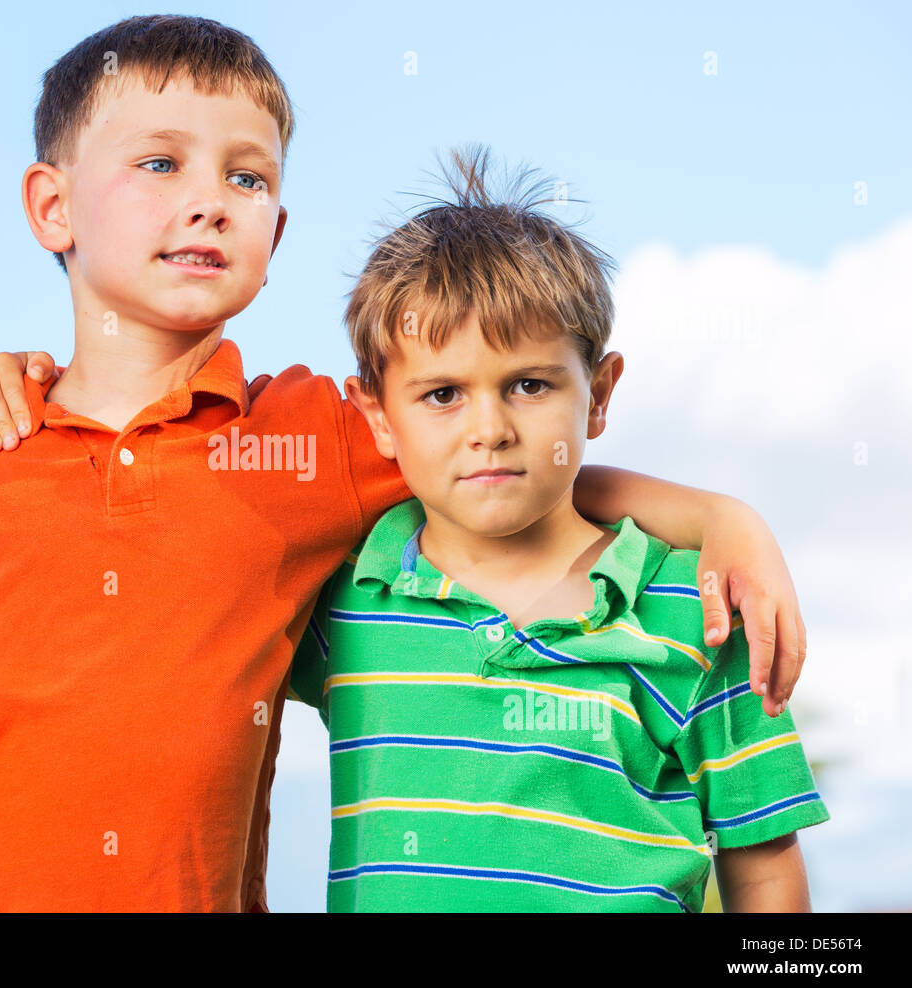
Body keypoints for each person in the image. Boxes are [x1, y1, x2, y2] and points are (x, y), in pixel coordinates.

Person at [0, 16, 806, 911]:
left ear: (275, 235)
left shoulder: (316, 440)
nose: (210, 202)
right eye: (160, 164)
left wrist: (721, 517)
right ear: (51, 207)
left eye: (247, 177)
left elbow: (497, 463)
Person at [285, 145, 827, 911]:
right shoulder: (341, 602)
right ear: (377, 413)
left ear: (599, 394)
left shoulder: (697, 612)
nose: (490, 429)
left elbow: (765, 870)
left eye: (530, 385)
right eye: (441, 394)